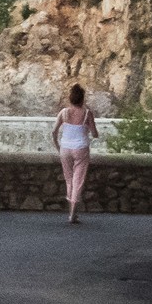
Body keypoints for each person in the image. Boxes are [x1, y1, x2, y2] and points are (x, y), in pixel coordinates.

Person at [55, 82, 99, 223]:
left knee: (69, 180)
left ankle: (71, 211)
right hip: (81, 149)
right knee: (77, 181)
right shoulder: (87, 114)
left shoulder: (64, 113)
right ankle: (73, 213)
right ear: (82, 99)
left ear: (70, 98)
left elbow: (53, 131)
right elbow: (95, 133)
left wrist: (58, 146)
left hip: (65, 148)